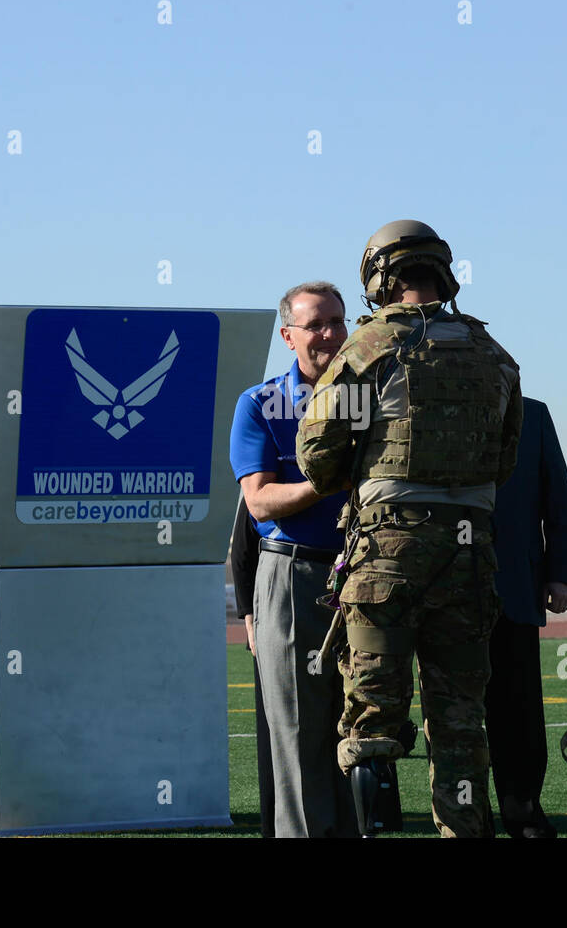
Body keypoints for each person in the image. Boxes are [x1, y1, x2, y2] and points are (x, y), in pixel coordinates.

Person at [296, 220, 522, 838]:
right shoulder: (494, 355)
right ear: (442, 270)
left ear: (379, 275)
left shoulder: (370, 347)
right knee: (460, 721)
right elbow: (504, 461)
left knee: (373, 719)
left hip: (387, 552)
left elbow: (317, 454)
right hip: (470, 555)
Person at [229, 280, 357, 838]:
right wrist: (323, 484)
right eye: (315, 325)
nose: (329, 334)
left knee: (364, 723)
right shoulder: (259, 404)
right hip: (294, 573)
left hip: (365, 573)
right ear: (288, 336)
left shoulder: (371, 399)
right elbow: (258, 500)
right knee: (300, 732)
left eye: (337, 321)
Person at [487, 396, 567, 838]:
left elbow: (558, 497)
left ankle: (522, 810)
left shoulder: (533, 414)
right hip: (442, 593)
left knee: (519, 711)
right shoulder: (422, 404)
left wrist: (561, 575)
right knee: (450, 714)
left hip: (515, 591)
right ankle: (464, 813)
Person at [227, 492, 274, 837]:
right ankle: (274, 823)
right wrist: (250, 620)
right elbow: (243, 553)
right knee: (275, 730)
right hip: (277, 614)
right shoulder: (266, 478)